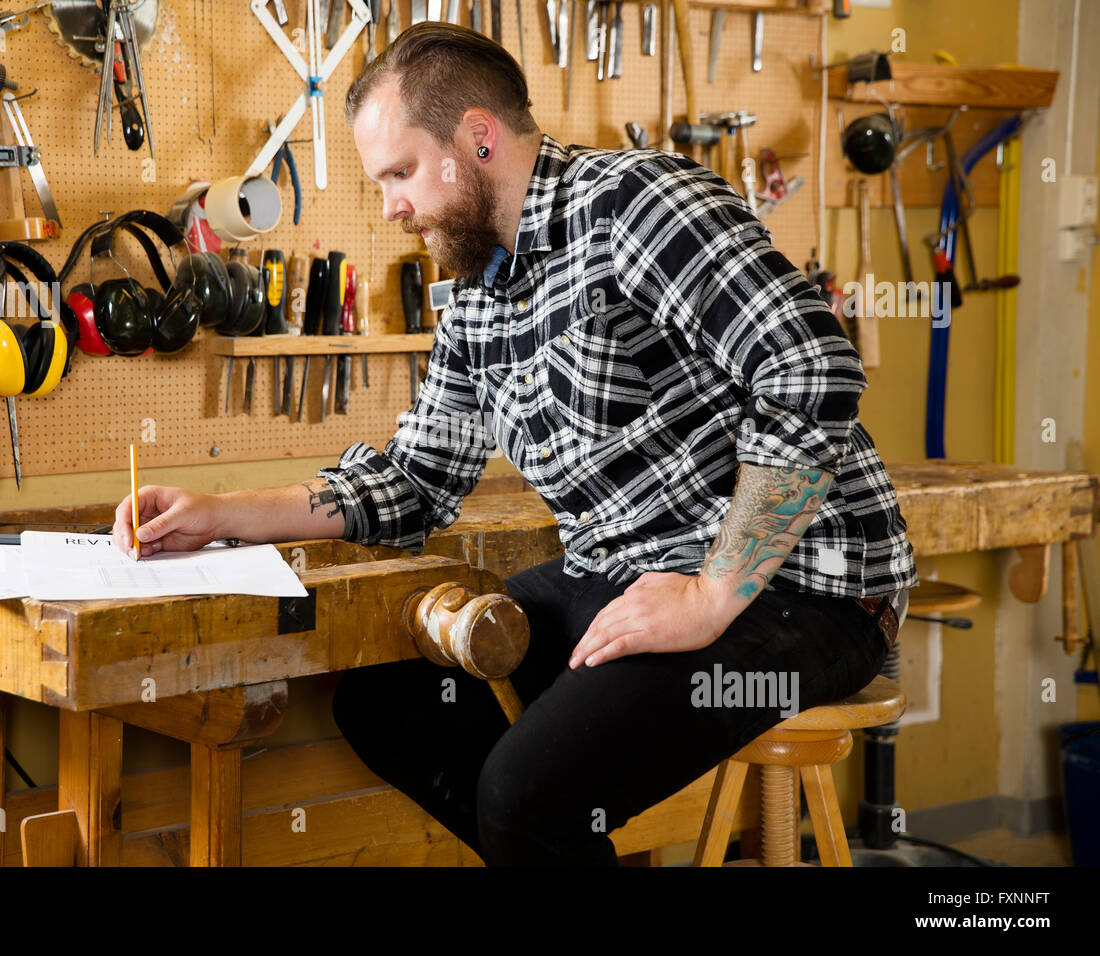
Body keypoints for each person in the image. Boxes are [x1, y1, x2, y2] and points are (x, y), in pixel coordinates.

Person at [113, 22, 917, 866]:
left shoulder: (633, 205)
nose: (389, 207)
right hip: (626, 571)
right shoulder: (473, 296)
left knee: (526, 794)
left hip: (802, 592)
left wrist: (713, 593)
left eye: (400, 173)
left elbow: (808, 370)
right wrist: (219, 515)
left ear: (478, 140)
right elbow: (414, 481)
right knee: (391, 702)